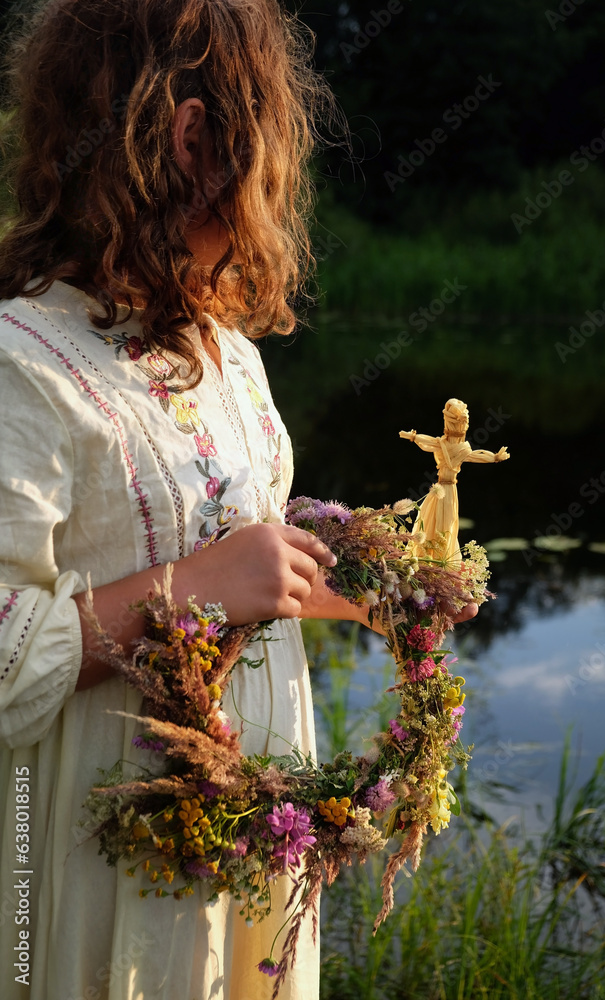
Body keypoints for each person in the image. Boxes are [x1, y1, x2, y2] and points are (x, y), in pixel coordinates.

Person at [0, 2, 477, 998]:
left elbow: (249, 559)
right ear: (191, 140)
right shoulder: (23, 365)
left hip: (244, 856)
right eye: (263, 152)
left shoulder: (227, 356)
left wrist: (377, 592)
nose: (272, 194)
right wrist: (193, 587)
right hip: (105, 856)